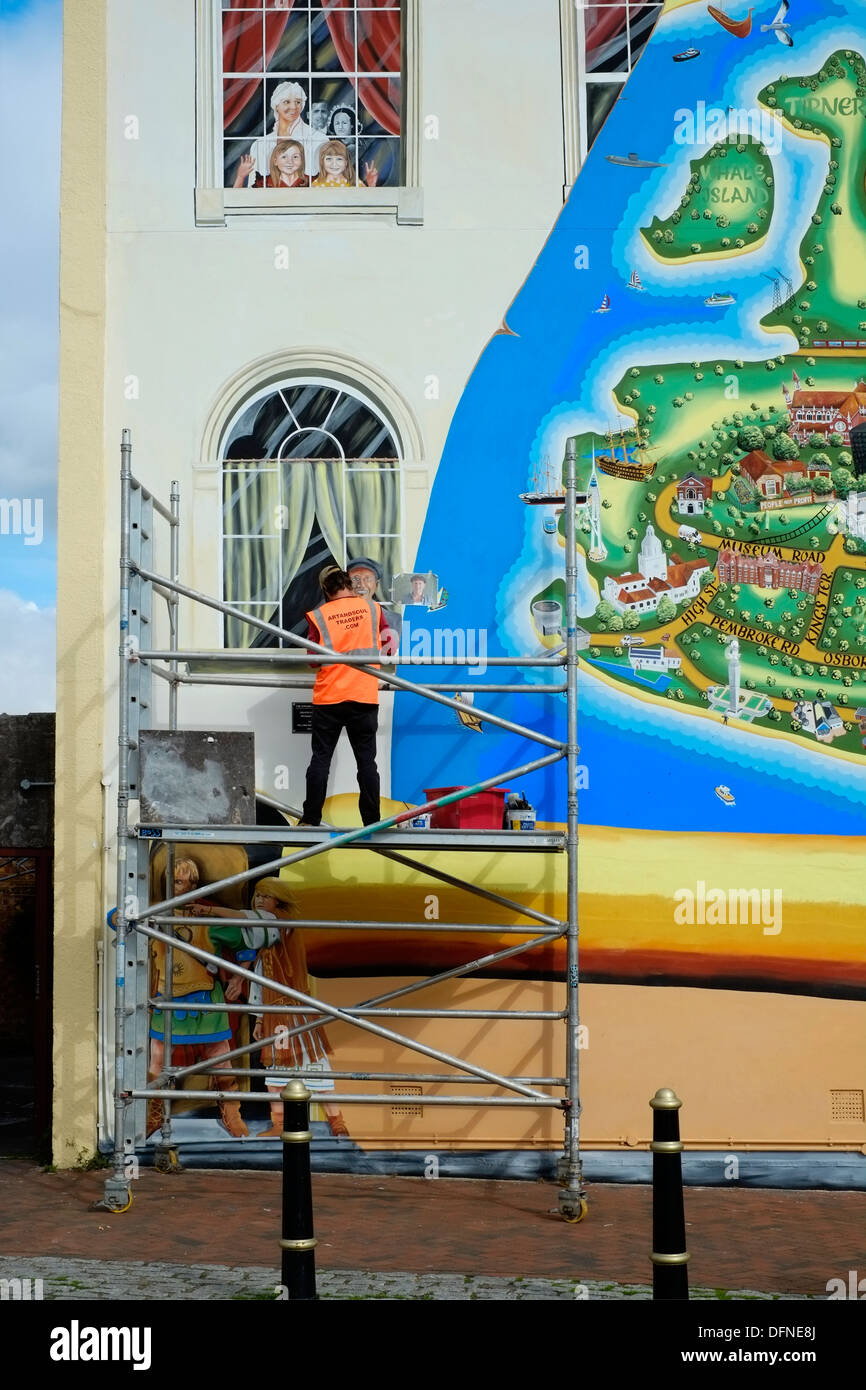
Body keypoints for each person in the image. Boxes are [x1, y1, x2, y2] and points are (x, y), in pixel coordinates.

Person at [146, 858, 279, 1140]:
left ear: (193, 885)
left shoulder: (207, 919)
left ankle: (232, 1114)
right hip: (167, 998)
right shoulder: (155, 915)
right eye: (171, 880)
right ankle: (155, 1115)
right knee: (156, 1064)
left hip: (205, 999)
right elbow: (117, 922)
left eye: (180, 881)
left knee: (221, 1062)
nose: (174, 887)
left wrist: (238, 978)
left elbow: (245, 947)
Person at [247, 877, 348, 1140]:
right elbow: (259, 983)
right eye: (257, 895)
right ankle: (279, 1123)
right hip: (274, 1015)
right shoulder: (264, 944)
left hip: (295, 1010)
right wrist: (259, 1019)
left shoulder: (283, 926)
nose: (259, 900)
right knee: (276, 1073)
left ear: (278, 901)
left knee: (316, 1065)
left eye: (265, 896)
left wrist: (213, 913)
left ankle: (337, 1121)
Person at [299, 564, 389, 827]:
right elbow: (388, 644)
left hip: (329, 698)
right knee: (366, 763)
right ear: (350, 586)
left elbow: (313, 661)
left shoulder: (320, 615)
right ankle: (372, 820)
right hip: (363, 695)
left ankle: (310, 818)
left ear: (327, 591)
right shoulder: (373, 609)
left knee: (320, 760)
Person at [244, 81, 325, 183]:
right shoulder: (259, 145)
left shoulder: (318, 140)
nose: (293, 107)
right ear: (276, 106)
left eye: (298, 102)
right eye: (287, 102)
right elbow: (253, 187)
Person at [347, 555, 401, 653]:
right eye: (355, 579)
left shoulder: (395, 620)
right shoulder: (335, 617)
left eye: (367, 579)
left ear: (376, 584)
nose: (361, 585)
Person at [234, 138, 309, 189]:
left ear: (302, 160)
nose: (290, 161)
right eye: (284, 157)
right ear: (275, 161)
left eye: (295, 157)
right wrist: (240, 177)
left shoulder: (310, 182)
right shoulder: (264, 183)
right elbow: (236, 201)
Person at [312, 139, 379, 188]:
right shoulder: (316, 185)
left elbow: (366, 201)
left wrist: (371, 185)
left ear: (346, 162)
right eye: (329, 159)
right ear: (322, 162)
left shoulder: (355, 183)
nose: (334, 164)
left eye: (339, 159)